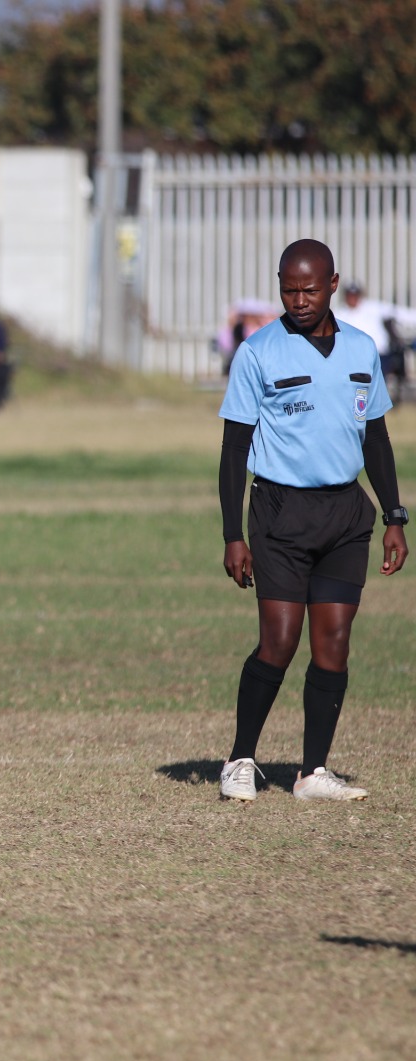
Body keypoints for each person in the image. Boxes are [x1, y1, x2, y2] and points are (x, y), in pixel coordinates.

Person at [217, 238, 406, 804]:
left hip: (346, 515)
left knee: (334, 646)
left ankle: (311, 773)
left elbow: (376, 437)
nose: (298, 299)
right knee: (278, 641)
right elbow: (232, 453)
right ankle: (240, 759)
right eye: (288, 289)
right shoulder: (257, 353)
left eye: (309, 289)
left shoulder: (362, 350)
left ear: (332, 284)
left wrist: (395, 516)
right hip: (280, 512)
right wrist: (233, 534)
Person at [335, 282, 416, 406]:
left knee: (376, 384)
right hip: (352, 356)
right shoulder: (339, 314)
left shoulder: (373, 308)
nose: (353, 298)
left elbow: (400, 314)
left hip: (378, 354)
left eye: (355, 295)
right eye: (350, 295)